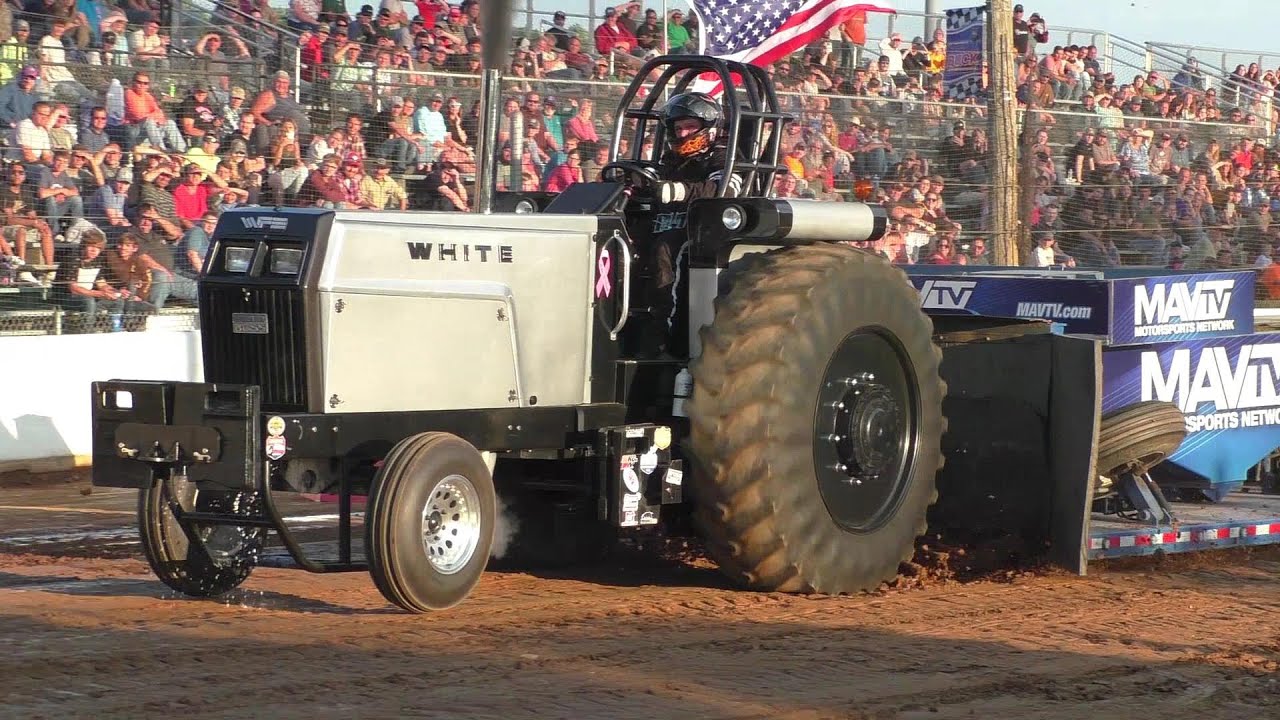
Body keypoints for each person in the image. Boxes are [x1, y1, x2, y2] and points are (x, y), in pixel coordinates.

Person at [641, 92, 740, 356]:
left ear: (708, 128)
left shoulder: (723, 156)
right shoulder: (671, 159)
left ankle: (667, 339)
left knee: (666, 248)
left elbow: (724, 188)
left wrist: (677, 191)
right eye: (678, 128)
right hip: (663, 225)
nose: (683, 133)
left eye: (690, 126)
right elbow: (651, 179)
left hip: (700, 233)